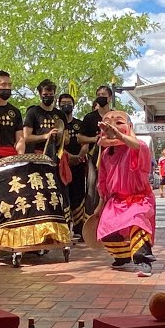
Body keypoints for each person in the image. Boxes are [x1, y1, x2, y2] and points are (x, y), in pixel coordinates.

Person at [91, 111, 157, 276]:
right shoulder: (106, 154)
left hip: (138, 199)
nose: (112, 125)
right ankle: (123, 257)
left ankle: (144, 262)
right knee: (106, 229)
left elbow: (137, 145)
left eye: (119, 122)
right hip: (116, 201)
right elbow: (103, 183)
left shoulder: (137, 147)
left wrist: (119, 135)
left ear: (130, 127)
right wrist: (100, 205)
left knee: (138, 224)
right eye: (107, 122)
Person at [61, 93, 91, 240]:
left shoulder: (80, 124)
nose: (66, 105)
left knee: (79, 195)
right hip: (63, 165)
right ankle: (66, 228)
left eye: (69, 102)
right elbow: (58, 145)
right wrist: (68, 156)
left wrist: (78, 156)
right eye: (63, 103)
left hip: (78, 165)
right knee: (64, 195)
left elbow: (85, 143)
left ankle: (79, 228)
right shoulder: (58, 124)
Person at [22, 79, 68, 155]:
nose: (48, 97)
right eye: (45, 95)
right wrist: (46, 136)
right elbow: (26, 137)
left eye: (51, 94)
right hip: (37, 154)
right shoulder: (33, 112)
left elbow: (67, 140)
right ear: (40, 95)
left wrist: (60, 135)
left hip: (55, 155)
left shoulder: (60, 114)